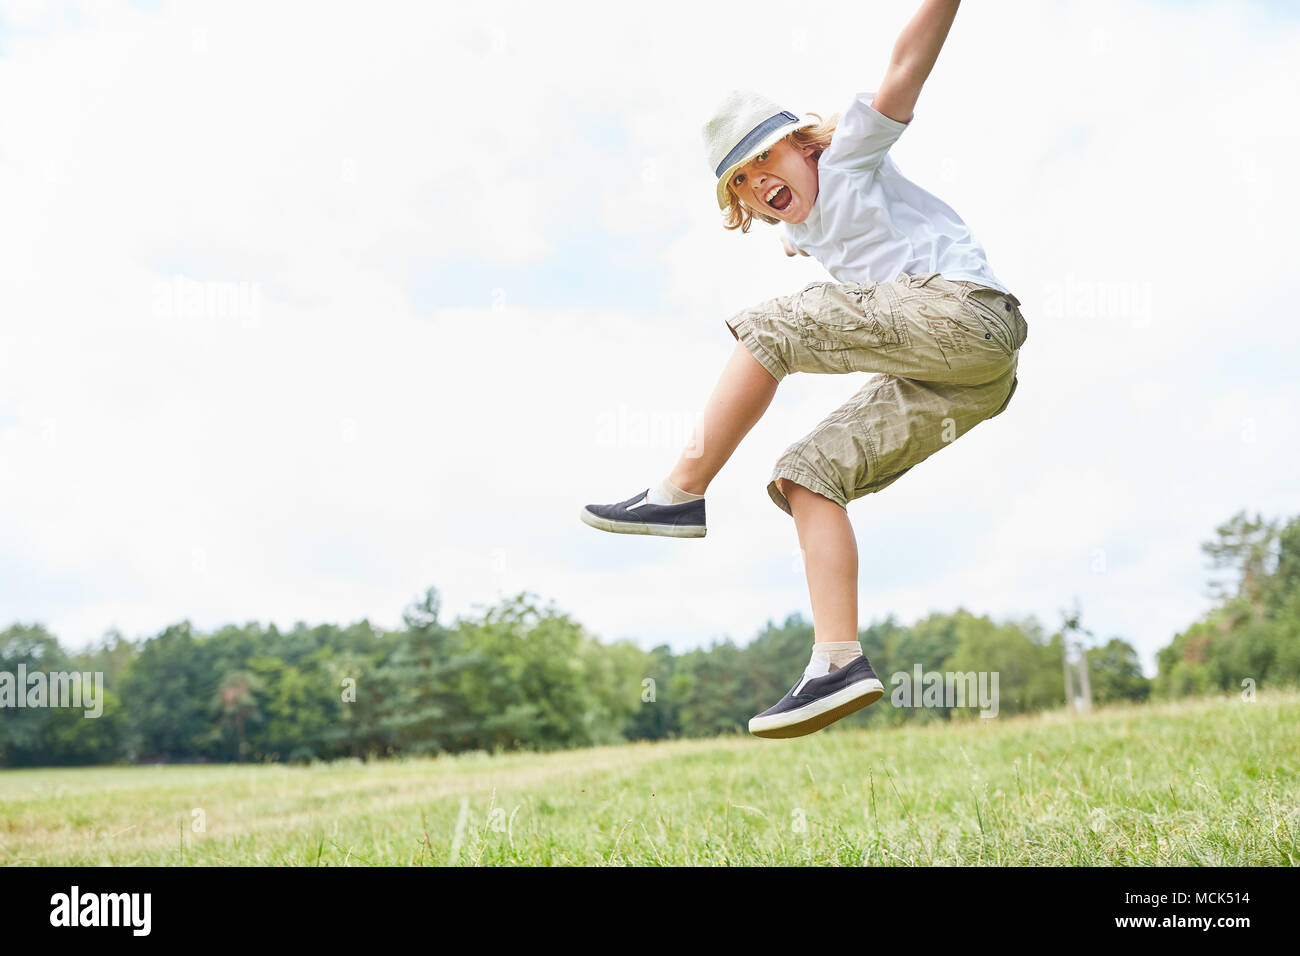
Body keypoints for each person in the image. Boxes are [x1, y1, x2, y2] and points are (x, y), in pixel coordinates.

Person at [580, 0, 1027, 738]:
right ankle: (838, 661)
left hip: (968, 315)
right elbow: (806, 234)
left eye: (768, 160)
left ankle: (679, 491)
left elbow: (906, 64)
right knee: (804, 474)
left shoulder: (850, 152)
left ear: (803, 145)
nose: (762, 182)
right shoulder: (800, 226)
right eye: (745, 184)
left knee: (775, 325)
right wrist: (794, 236)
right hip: (966, 383)